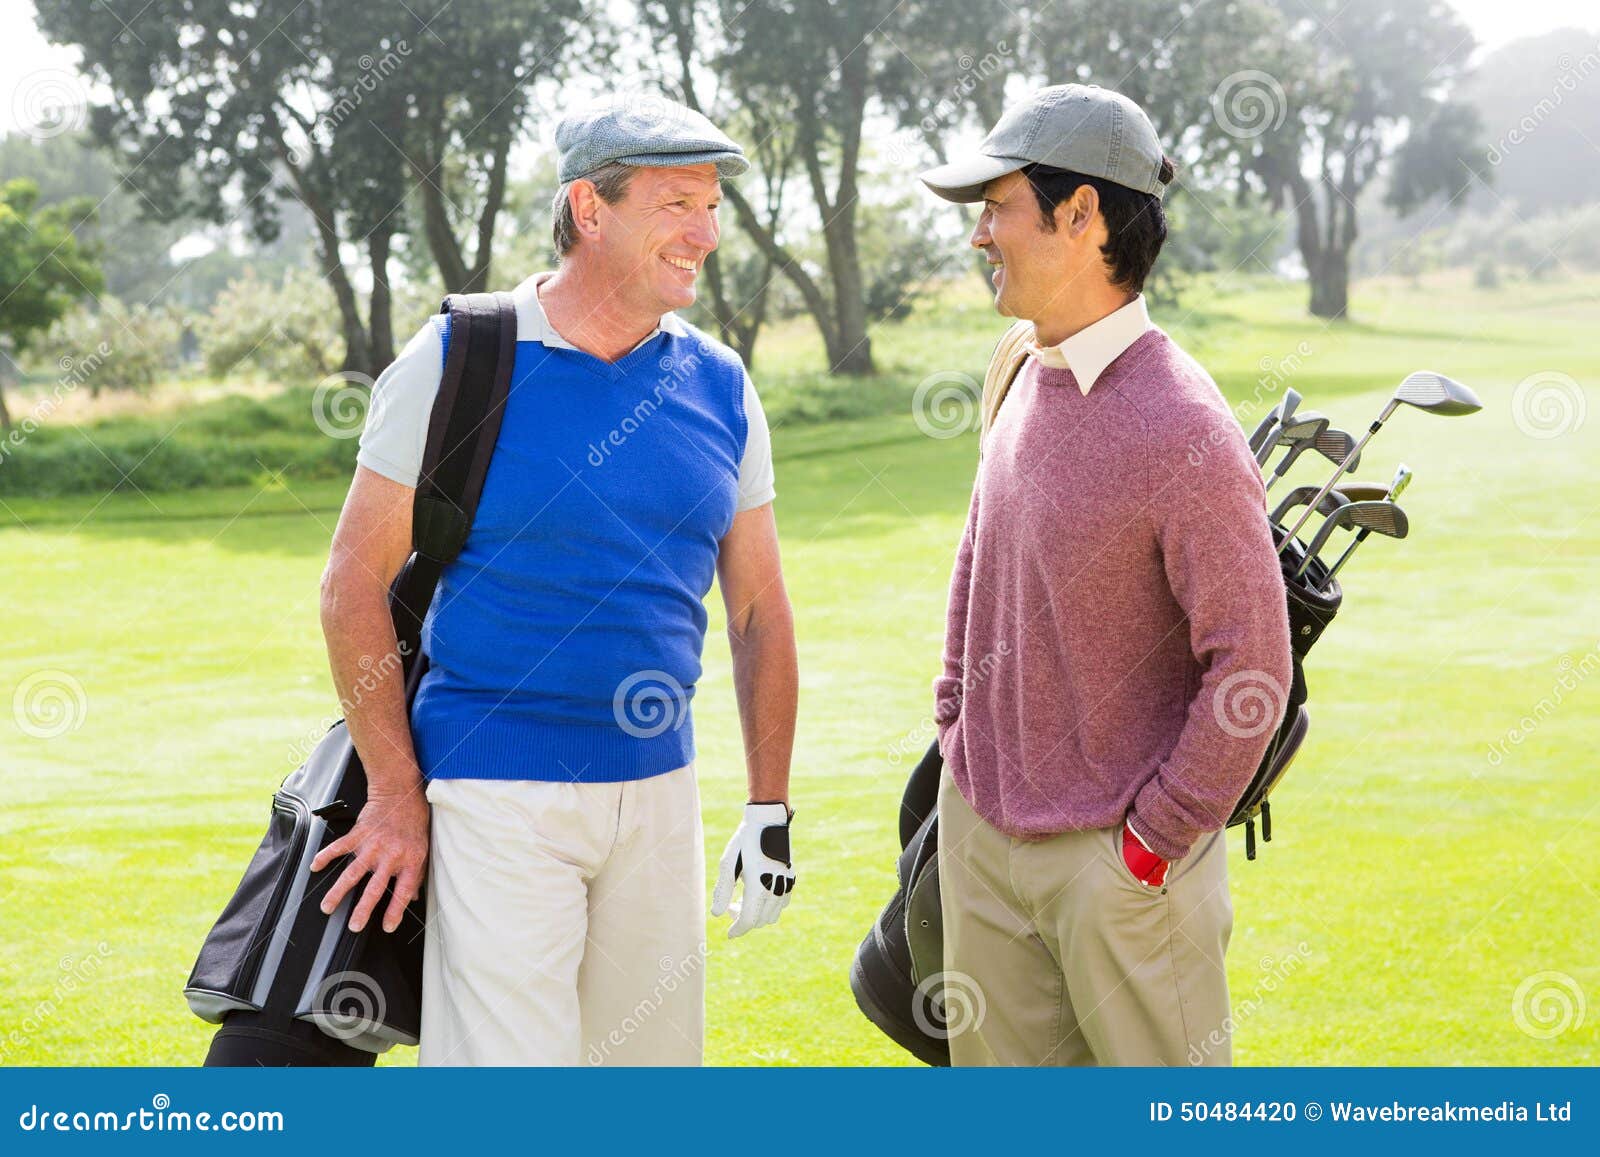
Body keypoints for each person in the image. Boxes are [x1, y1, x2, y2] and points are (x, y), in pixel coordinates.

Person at [311, 95, 799, 1066]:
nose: (705, 231)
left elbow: (756, 608)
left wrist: (768, 804)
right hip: (495, 796)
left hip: (660, 792)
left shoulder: (721, 384)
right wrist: (396, 792)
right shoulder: (456, 359)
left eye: (711, 205)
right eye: (675, 203)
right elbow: (349, 585)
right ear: (589, 208)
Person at [919, 84, 1293, 1066]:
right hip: (984, 837)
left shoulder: (1183, 428)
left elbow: (1251, 662)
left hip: (1120, 870)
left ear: (1079, 214)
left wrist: (1149, 845)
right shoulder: (1017, 366)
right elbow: (977, 558)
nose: (979, 236)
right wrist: (958, 724)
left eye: (997, 207)